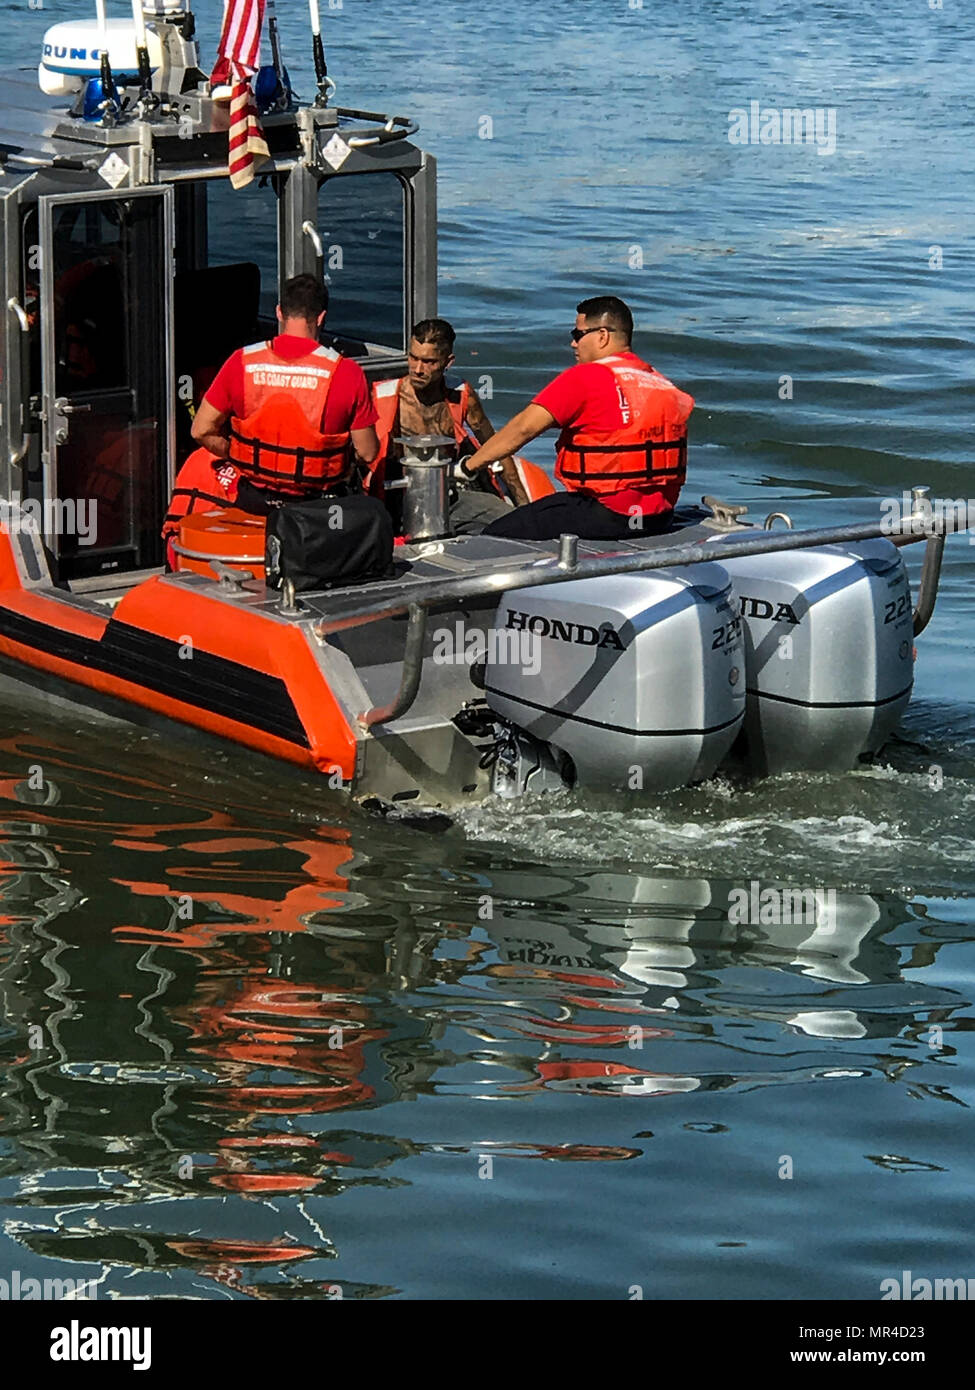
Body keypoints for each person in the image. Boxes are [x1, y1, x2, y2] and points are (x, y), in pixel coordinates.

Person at [462, 296, 694, 541]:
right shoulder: (662, 383)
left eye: (577, 333)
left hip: (609, 517)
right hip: (660, 517)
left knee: (494, 535)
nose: (573, 343)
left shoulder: (586, 378)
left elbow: (522, 429)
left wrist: (468, 467)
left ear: (602, 336)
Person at [188, 274, 379, 516]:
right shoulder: (346, 373)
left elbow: (200, 430)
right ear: (321, 317)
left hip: (253, 505)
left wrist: (238, 455)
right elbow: (368, 452)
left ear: (279, 312)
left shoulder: (241, 361)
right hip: (319, 511)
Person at [369, 318, 530, 530]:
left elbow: (496, 448)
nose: (417, 369)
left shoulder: (461, 395)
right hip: (396, 495)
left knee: (513, 521)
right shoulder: (382, 397)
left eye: (429, 362)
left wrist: (526, 508)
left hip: (448, 493)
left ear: (448, 361)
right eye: (413, 358)